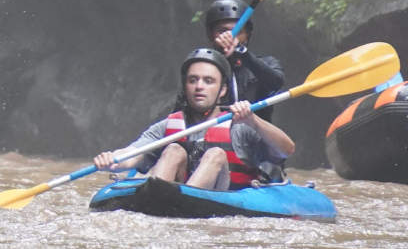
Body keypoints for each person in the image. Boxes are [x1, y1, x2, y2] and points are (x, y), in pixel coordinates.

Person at [95, 48, 295, 190]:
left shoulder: (240, 126)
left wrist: (254, 121)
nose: (199, 86)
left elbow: (286, 149)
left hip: (219, 198)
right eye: (193, 80)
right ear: (186, 86)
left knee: (216, 154)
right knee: (173, 150)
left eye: (208, 81)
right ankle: (156, 202)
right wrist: (113, 160)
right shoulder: (168, 126)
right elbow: (133, 153)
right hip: (168, 200)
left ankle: (183, 200)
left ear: (222, 90)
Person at [202, 0, 285, 121]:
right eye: (222, 31)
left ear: (247, 35)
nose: (230, 36)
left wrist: (241, 52)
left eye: (238, 31)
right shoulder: (199, 69)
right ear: (211, 35)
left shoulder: (267, 63)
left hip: (255, 131)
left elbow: (276, 83)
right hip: (213, 131)